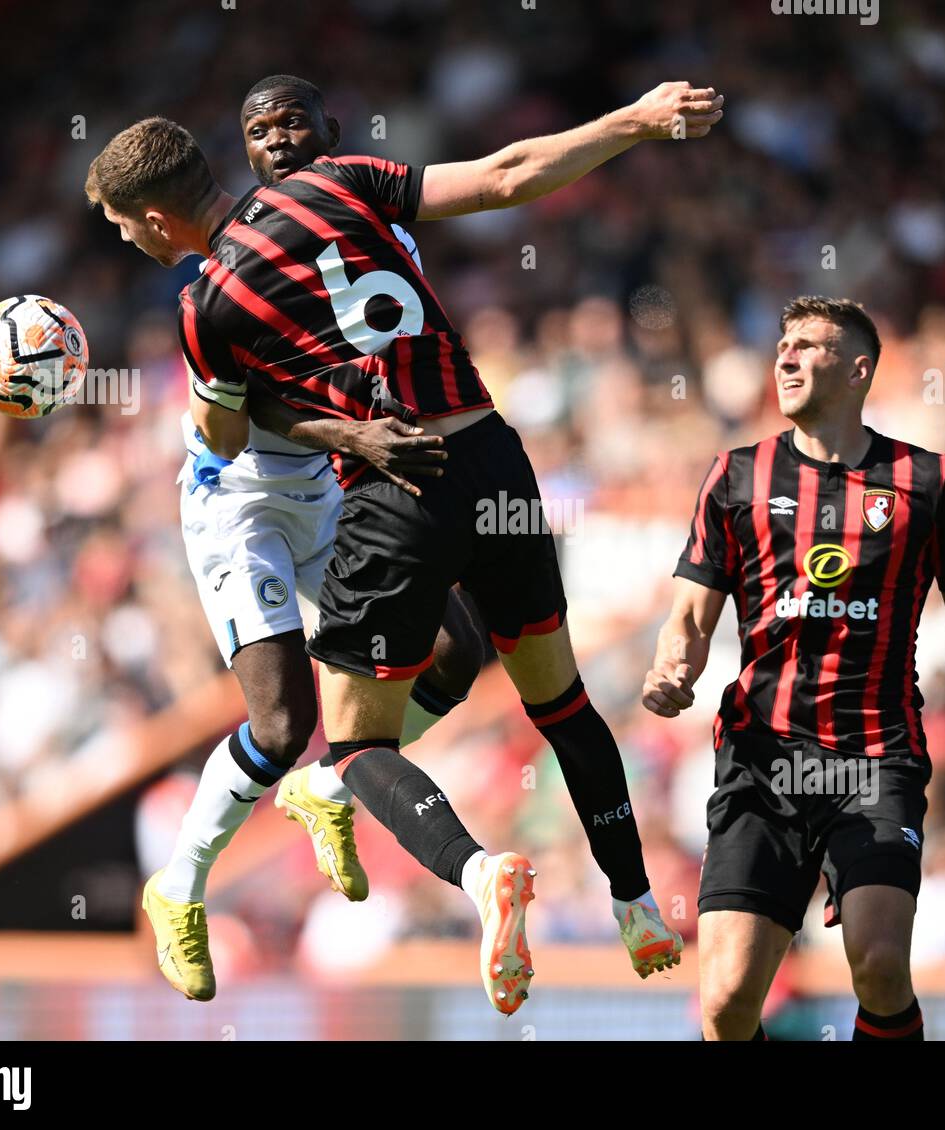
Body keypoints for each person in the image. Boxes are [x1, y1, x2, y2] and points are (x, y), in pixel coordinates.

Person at [87, 78, 720, 1013]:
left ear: (150, 218)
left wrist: (320, 423)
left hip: (393, 495)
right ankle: (639, 908)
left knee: (348, 748)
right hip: (494, 459)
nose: (126, 242)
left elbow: (220, 440)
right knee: (561, 700)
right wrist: (634, 118)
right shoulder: (340, 182)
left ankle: (476, 876)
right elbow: (508, 175)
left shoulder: (207, 304)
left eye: (121, 227)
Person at [643, 296, 945, 1041]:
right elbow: (688, 614)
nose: (786, 357)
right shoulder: (736, 476)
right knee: (727, 1001)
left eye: (808, 345)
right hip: (760, 760)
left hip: (875, 758)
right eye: (782, 343)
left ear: (859, 369)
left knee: (877, 966)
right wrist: (672, 667)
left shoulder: (931, 482)